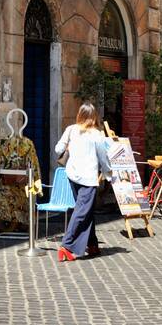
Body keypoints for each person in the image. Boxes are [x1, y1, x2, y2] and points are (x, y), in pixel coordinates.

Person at [54, 103, 113, 262]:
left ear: (80, 115)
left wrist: (68, 145)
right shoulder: (97, 135)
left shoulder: (71, 129)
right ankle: (66, 245)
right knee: (81, 211)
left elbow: (57, 149)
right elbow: (103, 157)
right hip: (88, 178)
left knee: (86, 210)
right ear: (94, 117)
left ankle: (92, 244)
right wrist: (109, 173)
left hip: (72, 175)